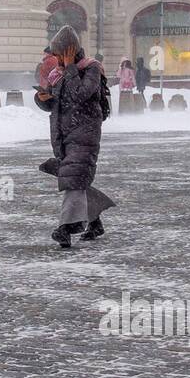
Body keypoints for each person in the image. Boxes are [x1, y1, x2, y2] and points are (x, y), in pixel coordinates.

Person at [35, 26, 115, 247]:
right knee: (75, 177)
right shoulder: (58, 74)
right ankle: (95, 221)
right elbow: (57, 103)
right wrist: (43, 98)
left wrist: (71, 67)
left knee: (73, 181)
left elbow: (80, 94)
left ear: (70, 50)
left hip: (85, 133)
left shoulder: (91, 69)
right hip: (64, 135)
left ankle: (66, 228)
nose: (57, 58)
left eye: (60, 53)